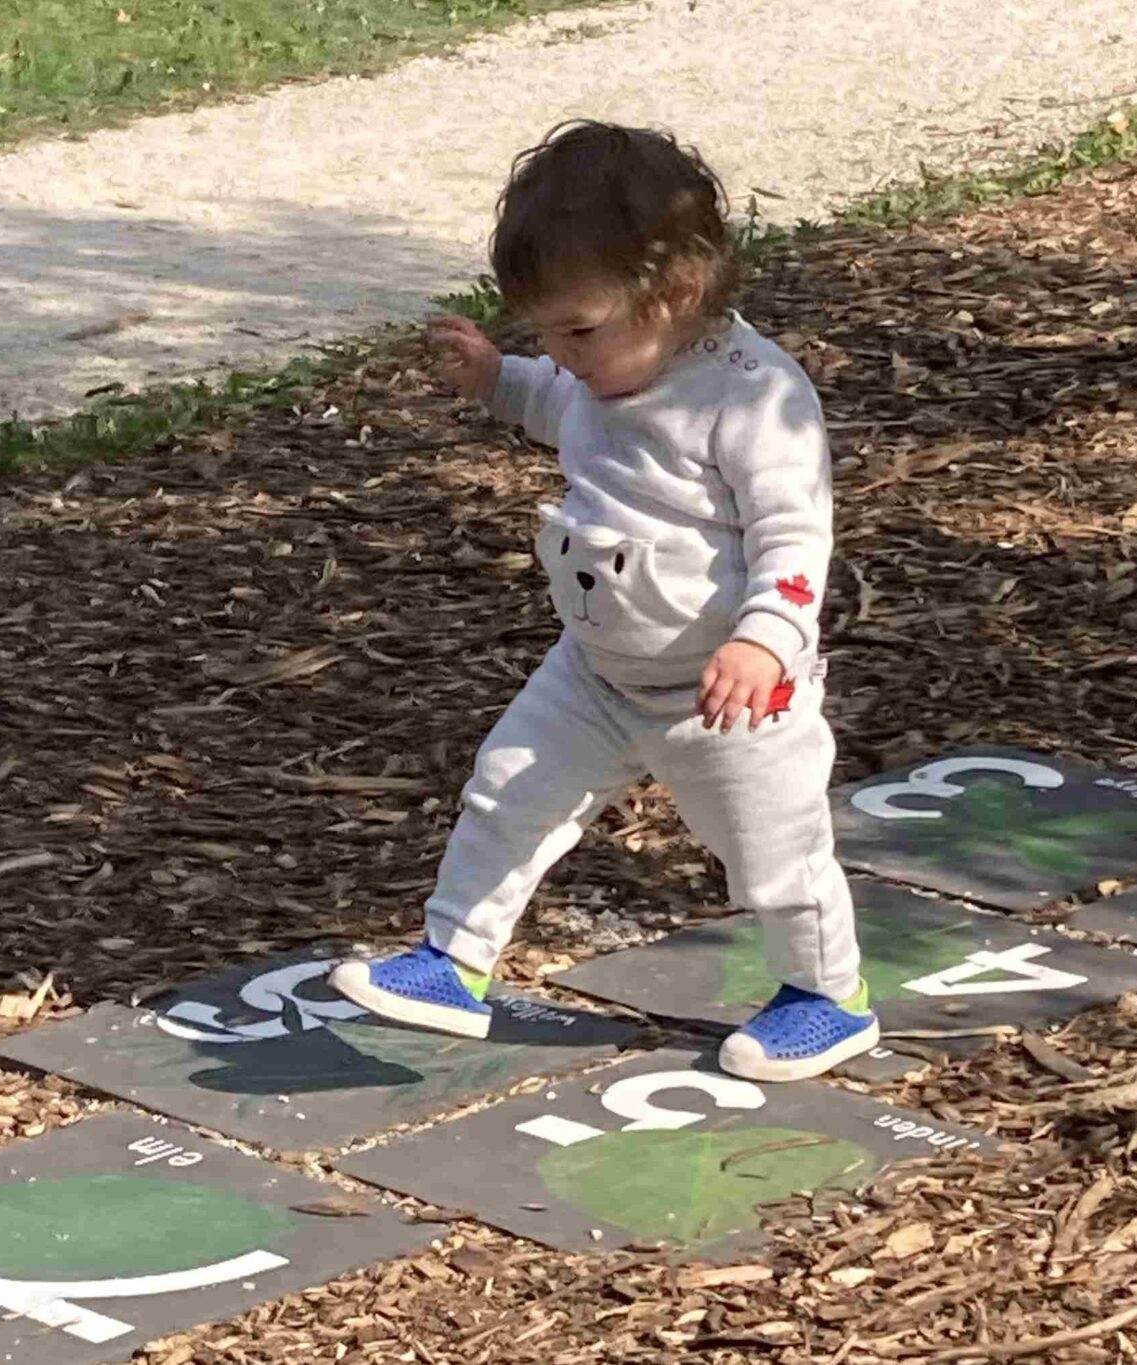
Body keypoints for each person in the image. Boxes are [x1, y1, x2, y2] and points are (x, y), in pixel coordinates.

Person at [330, 120, 875, 1082]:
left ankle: (827, 997)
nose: (562, 355)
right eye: (541, 332)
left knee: (773, 852)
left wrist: (766, 639)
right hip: (596, 668)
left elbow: (796, 534)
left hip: (730, 692)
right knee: (509, 788)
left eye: (576, 330)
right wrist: (499, 379)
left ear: (675, 295)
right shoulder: (597, 368)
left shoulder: (754, 401)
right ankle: (451, 962)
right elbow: (557, 403)